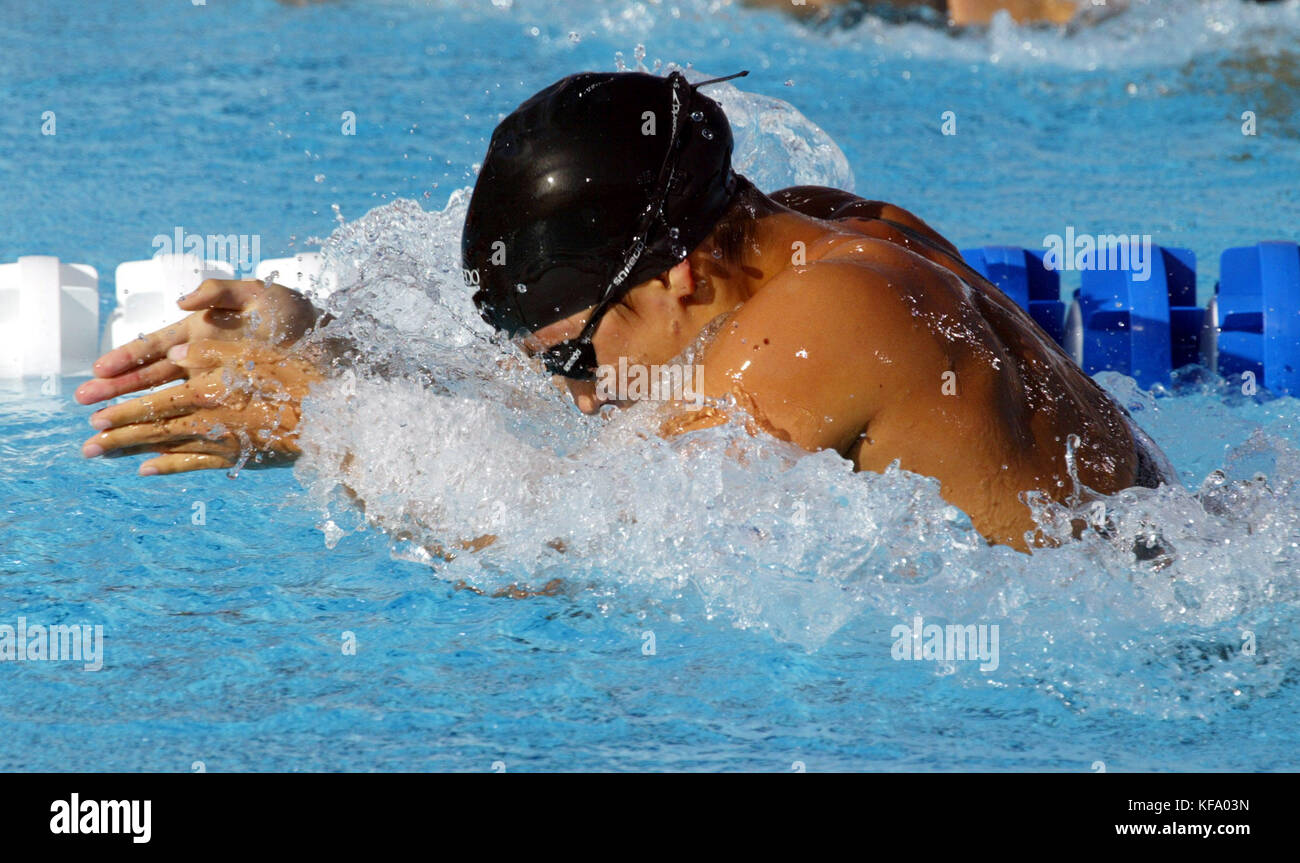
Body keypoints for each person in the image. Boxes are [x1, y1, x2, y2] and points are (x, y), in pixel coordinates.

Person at [76, 70, 1171, 552]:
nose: (582, 392)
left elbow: (580, 539)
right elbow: (605, 426)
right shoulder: (808, 228)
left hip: (1173, 653)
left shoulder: (825, 323)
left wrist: (327, 425)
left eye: (571, 358)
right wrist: (323, 346)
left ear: (675, 277)